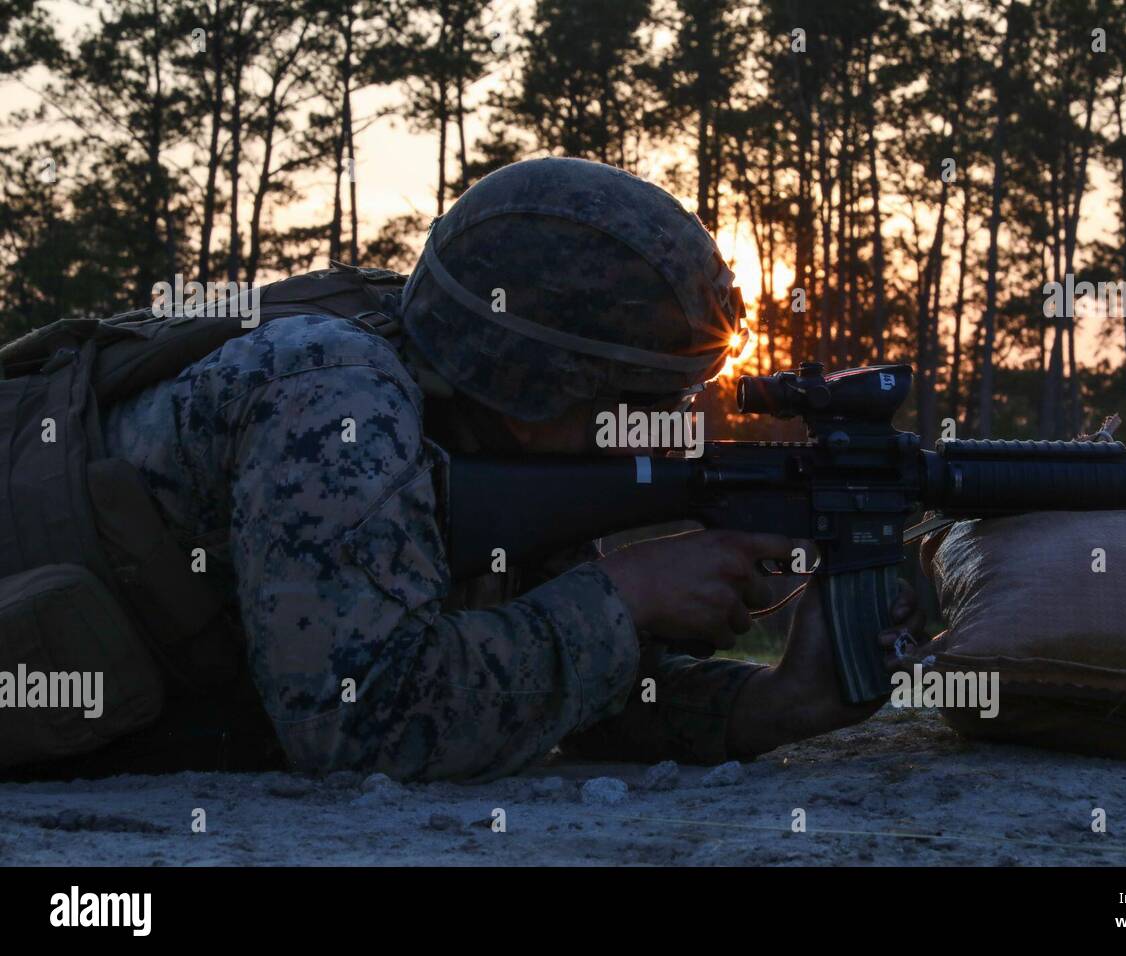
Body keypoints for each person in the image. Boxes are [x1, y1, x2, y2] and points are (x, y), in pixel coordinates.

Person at [95, 157, 921, 781]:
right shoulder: (335, 400)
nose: (666, 436)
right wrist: (627, 593)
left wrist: (776, 704)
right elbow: (361, 726)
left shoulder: (478, 429)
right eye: (644, 402)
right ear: (534, 385)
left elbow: (550, 692)